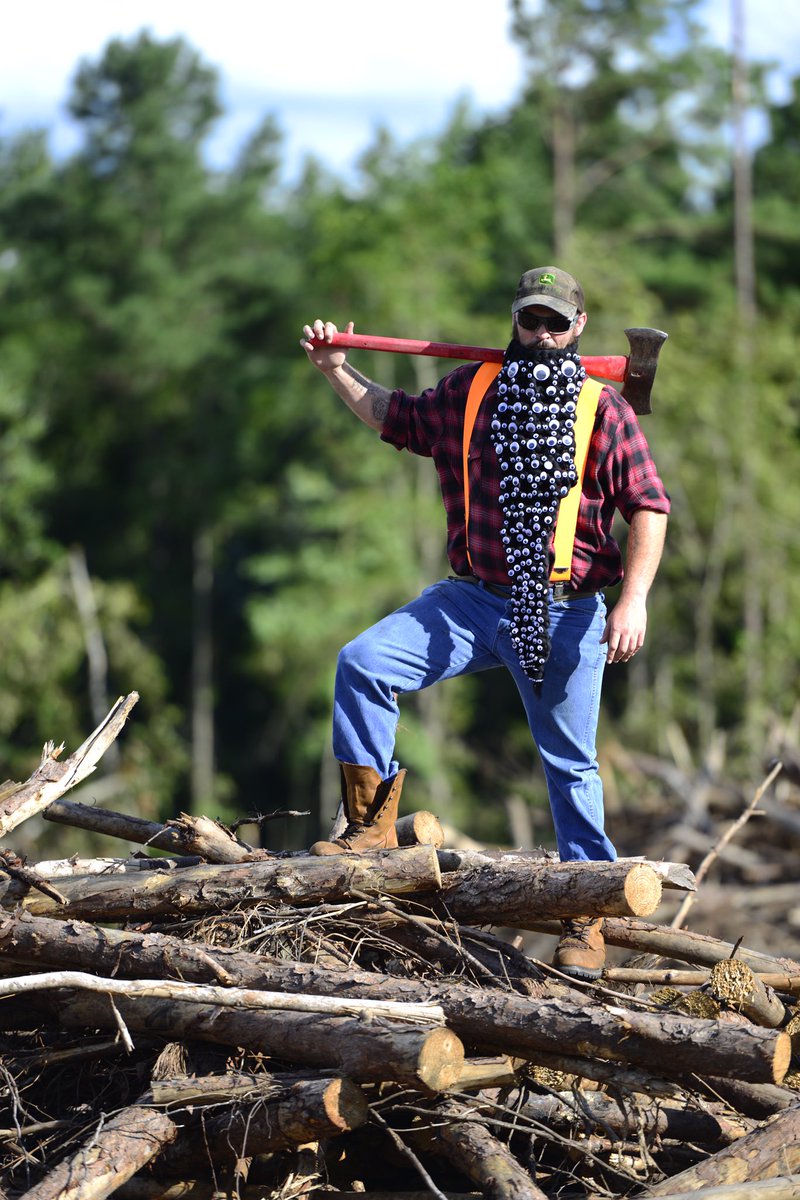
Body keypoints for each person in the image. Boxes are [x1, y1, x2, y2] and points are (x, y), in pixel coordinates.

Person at [300, 266, 669, 979]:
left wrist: (635, 600)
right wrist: (335, 371)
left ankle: (585, 909)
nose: (540, 335)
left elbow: (648, 505)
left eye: (555, 324)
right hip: (473, 600)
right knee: (364, 662)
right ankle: (370, 826)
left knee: (571, 765)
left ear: (578, 329)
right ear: (515, 318)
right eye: (531, 321)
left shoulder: (604, 409)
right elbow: (394, 417)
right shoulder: (469, 391)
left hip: (568, 608)